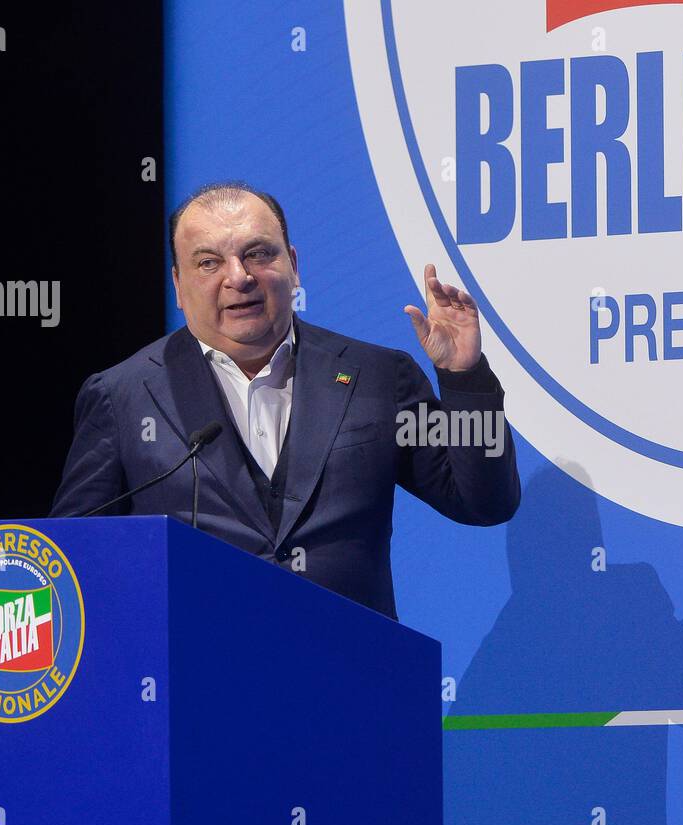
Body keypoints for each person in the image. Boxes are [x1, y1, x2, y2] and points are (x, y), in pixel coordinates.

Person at [49, 181, 522, 619]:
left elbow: (482, 503)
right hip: (197, 682)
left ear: (293, 265)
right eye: (208, 262)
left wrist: (464, 377)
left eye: (257, 254)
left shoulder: (379, 376)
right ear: (178, 283)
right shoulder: (122, 395)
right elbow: (72, 560)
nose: (239, 277)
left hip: (354, 674)